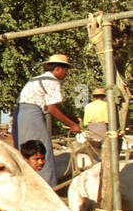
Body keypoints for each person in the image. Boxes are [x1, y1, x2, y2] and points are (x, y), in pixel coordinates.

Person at [12, 53, 81, 186]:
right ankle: (48, 187)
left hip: (19, 114)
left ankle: (25, 184)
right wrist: (72, 124)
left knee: (25, 151)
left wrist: (69, 119)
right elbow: (52, 109)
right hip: (32, 114)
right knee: (42, 150)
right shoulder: (52, 81)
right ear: (58, 69)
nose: (66, 73)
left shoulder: (37, 79)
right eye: (65, 70)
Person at [82, 86, 108, 157]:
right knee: (105, 145)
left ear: (94, 97)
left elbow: (85, 122)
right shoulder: (106, 105)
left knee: (93, 147)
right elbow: (107, 119)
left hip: (91, 128)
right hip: (102, 127)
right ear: (103, 96)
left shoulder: (88, 106)